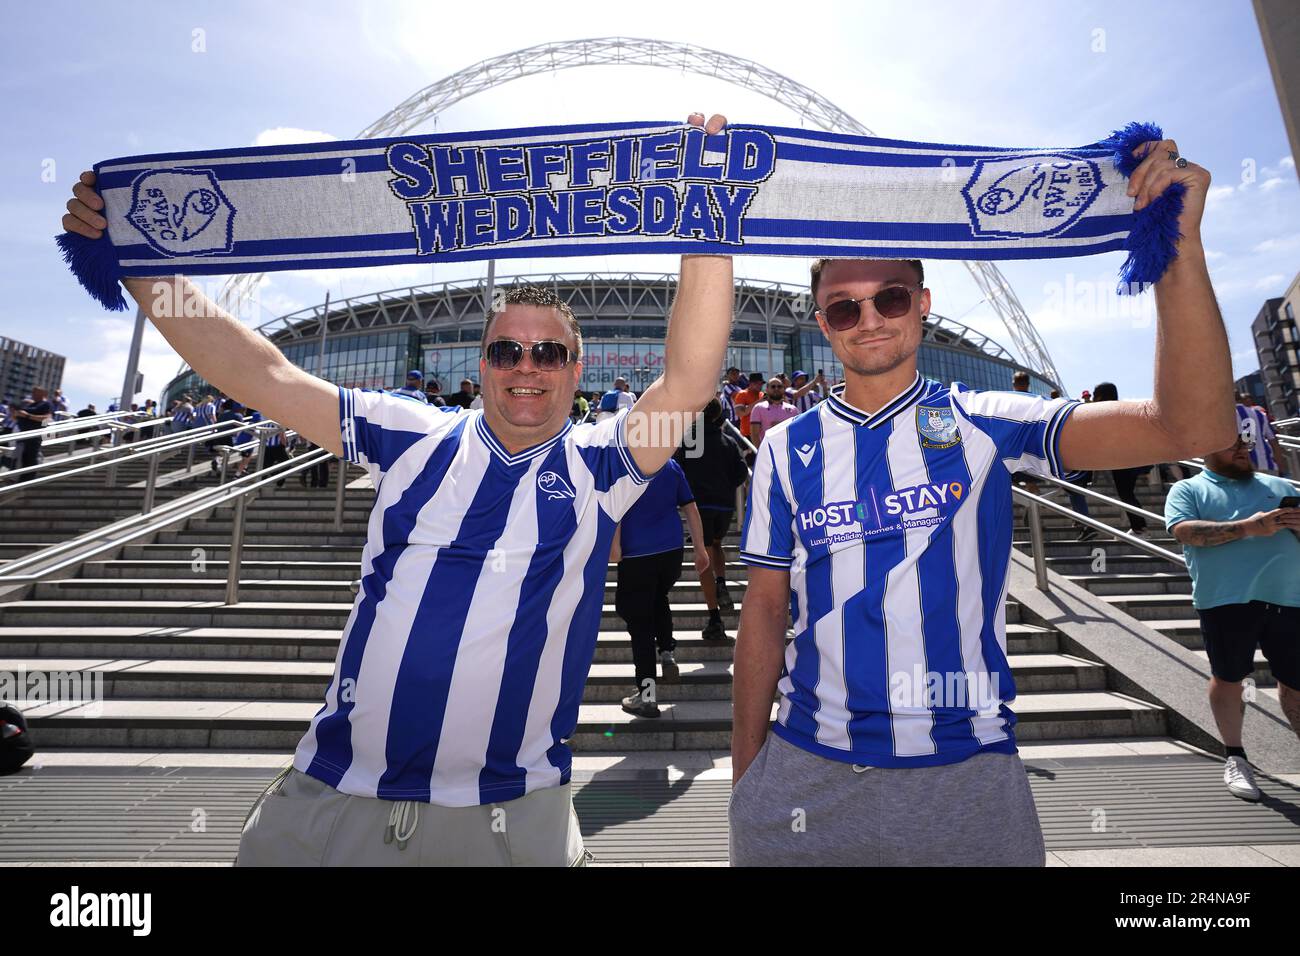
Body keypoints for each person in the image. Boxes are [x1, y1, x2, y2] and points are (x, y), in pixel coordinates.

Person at [62, 110, 733, 867]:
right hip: (332, 802)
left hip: (511, 815)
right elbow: (264, 375)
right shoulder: (409, 433)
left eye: (549, 351)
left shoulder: (599, 464)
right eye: (505, 349)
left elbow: (689, 378)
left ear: (577, 371)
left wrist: (702, 220)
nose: (526, 364)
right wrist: (145, 267)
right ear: (480, 365)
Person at [730, 136, 1233, 866]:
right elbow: (766, 612)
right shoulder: (785, 447)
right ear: (821, 324)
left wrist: (1178, 248)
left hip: (966, 779)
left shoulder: (985, 420)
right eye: (843, 309)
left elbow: (1192, 426)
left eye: (890, 298)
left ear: (924, 305)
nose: (869, 319)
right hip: (805, 773)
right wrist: (749, 778)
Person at [1165, 435, 1300, 800]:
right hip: (1224, 600)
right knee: (1228, 677)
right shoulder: (1187, 488)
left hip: (1290, 598)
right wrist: (1247, 527)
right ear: (1205, 450)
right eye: (1231, 445)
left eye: (1245, 443)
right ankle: (1236, 757)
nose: (1243, 449)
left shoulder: (1279, 484)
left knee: (1296, 682)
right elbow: (1183, 532)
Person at [610, 457, 709, 718]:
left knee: (639, 624)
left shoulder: (624, 465)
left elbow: (615, 509)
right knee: (658, 598)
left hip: (636, 554)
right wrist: (699, 549)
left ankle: (647, 697)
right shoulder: (670, 465)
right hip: (671, 552)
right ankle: (666, 651)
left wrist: (615, 546)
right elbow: (691, 507)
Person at [675, 398, 749, 634]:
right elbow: (740, 473)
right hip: (725, 506)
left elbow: (677, 468)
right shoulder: (728, 441)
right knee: (716, 544)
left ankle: (714, 617)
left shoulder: (689, 440)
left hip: (699, 505)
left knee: (703, 555)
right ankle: (722, 581)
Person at [1091, 382, 1150, 536]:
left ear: (1101, 396)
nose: (1093, 398)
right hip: (1132, 457)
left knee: (1126, 494)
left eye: (1095, 394)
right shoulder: (1123, 409)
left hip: (1121, 459)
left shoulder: (1105, 412)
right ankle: (1137, 526)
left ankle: (1140, 528)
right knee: (1127, 493)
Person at [1236, 391, 1286, 476]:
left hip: (1243, 470)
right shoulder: (1260, 413)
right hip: (1268, 464)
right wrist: (1280, 466)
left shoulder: (1227, 416)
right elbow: (1273, 440)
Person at [749, 377, 799, 447]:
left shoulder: (793, 409)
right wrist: (761, 452)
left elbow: (797, 432)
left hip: (788, 451)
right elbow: (755, 434)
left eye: (779, 386)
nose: (776, 389)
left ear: (784, 389)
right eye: (773, 387)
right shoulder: (758, 408)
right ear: (766, 389)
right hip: (768, 451)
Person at [12, 386, 53, 470]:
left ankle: (27, 480)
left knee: (29, 462)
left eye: (36, 392)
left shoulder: (46, 404)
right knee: (17, 460)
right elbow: (16, 418)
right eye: (33, 392)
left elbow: (47, 419)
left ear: (43, 394)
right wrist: (17, 414)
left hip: (33, 438)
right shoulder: (31, 404)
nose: (33, 394)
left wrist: (27, 415)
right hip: (22, 436)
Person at [733, 372, 764, 444]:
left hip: (761, 434)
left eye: (761, 383)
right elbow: (740, 413)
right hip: (747, 435)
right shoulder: (742, 394)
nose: (759, 385)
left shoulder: (762, 394)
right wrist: (759, 402)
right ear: (750, 383)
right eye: (756, 383)